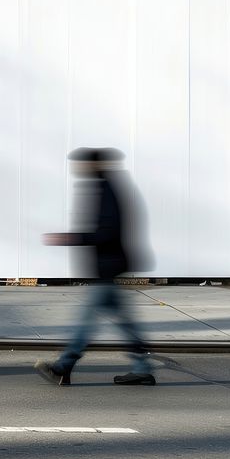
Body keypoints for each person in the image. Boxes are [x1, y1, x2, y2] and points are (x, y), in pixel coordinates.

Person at [34, 147, 156, 386]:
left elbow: (107, 232)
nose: (76, 169)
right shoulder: (107, 186)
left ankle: (63, 365)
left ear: (92, 165)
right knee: (124, 323)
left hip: (108, 266)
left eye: (80, 164)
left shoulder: (106, 189)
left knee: (86, 321)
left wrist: (72, 238)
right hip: (108, 266)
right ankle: (142, 367)